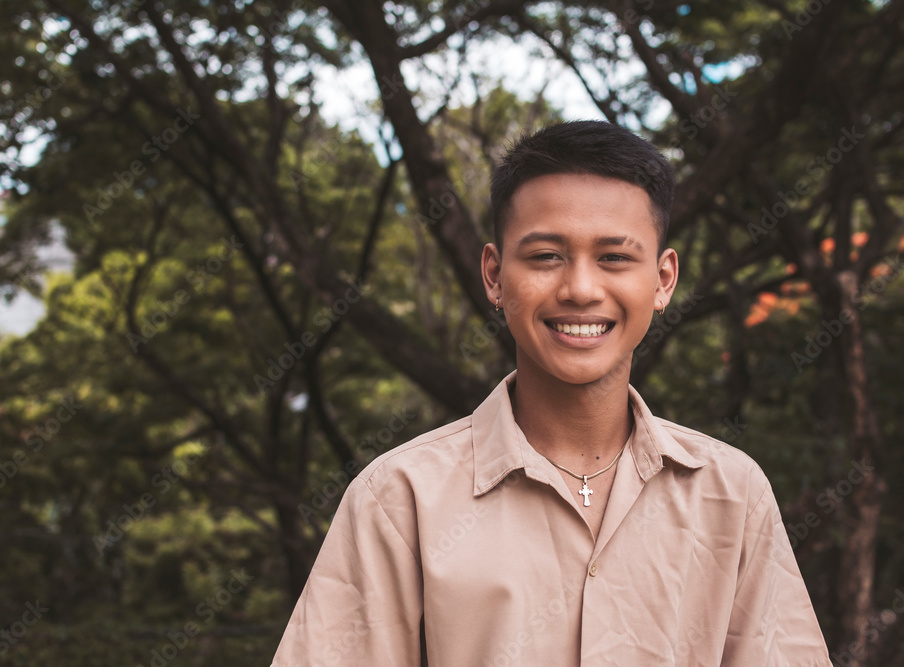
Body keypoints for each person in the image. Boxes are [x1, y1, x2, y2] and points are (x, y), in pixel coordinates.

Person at [271, 121, 832, 666]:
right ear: (493, 275)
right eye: (545, 256)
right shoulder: (399, 499)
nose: (581, 289)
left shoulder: (732, 496)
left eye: (614, 257)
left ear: (663, 280)